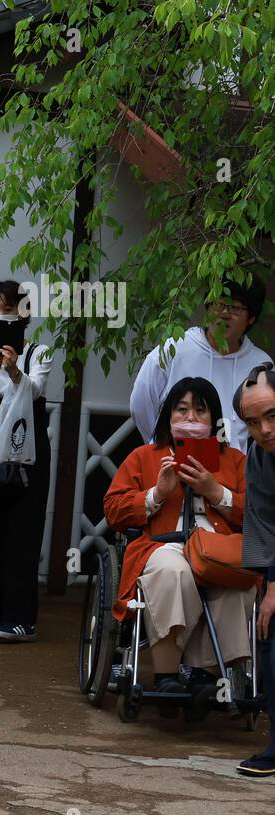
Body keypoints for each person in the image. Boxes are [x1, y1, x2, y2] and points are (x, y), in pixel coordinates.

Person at [104, 378, 251, 707]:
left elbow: (257, 516)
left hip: (217, 549)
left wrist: (216, 491)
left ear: (214, 420)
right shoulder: (145, 456)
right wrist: (157, 494)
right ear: (168, 417)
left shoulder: (235, 461)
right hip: (163, 547)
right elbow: (113, 511)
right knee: (173, 572)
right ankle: (166, 675)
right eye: (181, 409)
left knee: (235, 581)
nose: (191, 419)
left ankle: (205, 677)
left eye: (200, 411)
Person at [0, 279, 53, 642]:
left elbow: (36, 391)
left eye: (10, 310)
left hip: (28, 455)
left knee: (23, 534)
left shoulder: (40, 353)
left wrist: (14, 370)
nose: (2, 317)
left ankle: (21, 619)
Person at [130, 275, 270, 453]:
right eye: (219, 304)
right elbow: (140, 403)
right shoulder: (176, 346)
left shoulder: (260, 363)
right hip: (169, 461)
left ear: (251, 318)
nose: (224, 314)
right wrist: (164, 440)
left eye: (235, 308)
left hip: (227, 471)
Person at [235, 364, 275, 774]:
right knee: (269, 640)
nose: (263, 429)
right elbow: (263, 518)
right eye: (252, 421)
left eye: (272, 416)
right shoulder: (259, 456)